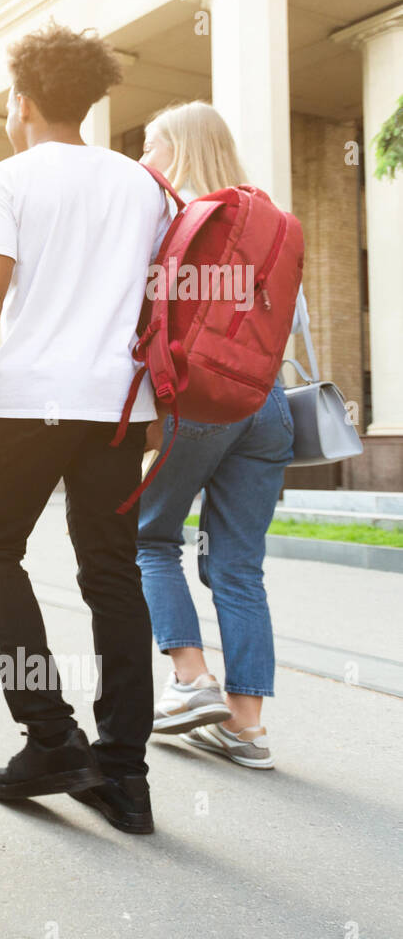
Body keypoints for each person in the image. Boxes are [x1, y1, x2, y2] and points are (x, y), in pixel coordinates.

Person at [0, 22, 171, 835]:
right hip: (117, 406)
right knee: (113, 573)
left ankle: (49, 734)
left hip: (28, 398)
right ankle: (126, 773)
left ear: (22, 101)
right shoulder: (142, 186)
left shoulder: (6, 182)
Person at [136, 100, 295, 769]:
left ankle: (190, 676)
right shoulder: (272, 223)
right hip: (269, 402)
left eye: (151, 145)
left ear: (178, 151)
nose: (144, 159)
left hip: (201, 400)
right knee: (237, 563)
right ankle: (246, 727)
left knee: (146, 535)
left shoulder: (176, 218)